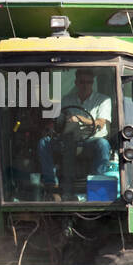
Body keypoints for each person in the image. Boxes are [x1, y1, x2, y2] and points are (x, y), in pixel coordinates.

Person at [37, 69, 112, 198]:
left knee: (103, 144)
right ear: (76, 83)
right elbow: (57, 120)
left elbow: (100, 123)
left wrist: (79, 118)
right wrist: (51, 128)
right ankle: (51, 184)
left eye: (89, 82)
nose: (85, 85)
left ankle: (97, 184)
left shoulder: (103, 100)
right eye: (82, 82)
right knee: (44, 142)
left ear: (92, 83)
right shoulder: (67, 100)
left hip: (91, 141)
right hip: (68, 140)